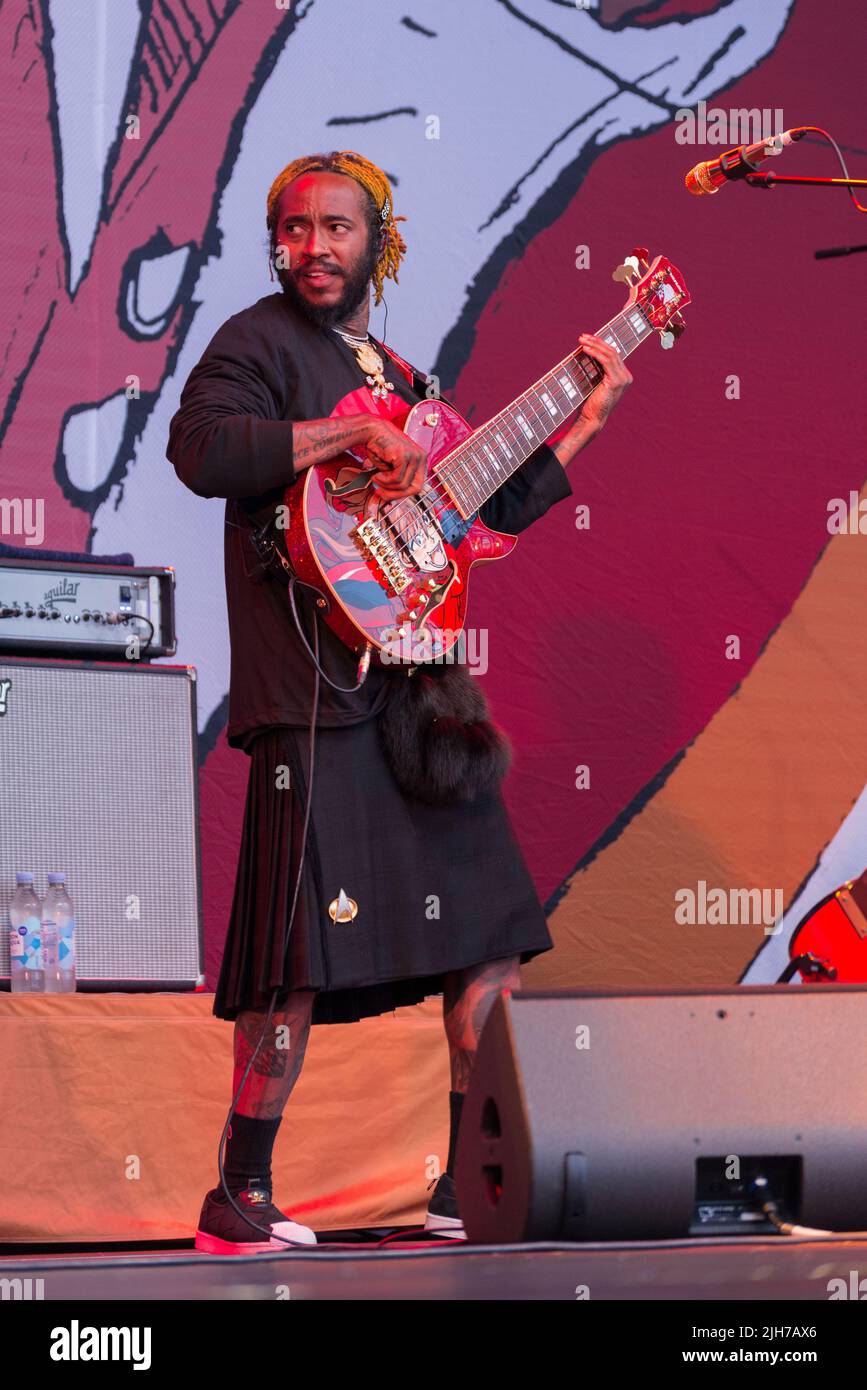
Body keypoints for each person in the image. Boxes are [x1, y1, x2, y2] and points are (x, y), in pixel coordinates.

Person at [166, 149, 632, 1253]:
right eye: (294, 229)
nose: (313, 247)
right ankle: (238, 1194)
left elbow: (466, 516)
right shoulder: (254, 343)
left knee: (489, 946)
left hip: (426, 708)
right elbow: (202, 450)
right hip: (313, 698)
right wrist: (340, 433)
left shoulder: (410, 379)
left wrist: (585, 418)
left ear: (382, 237)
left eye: (336, 227)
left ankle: (467, 1184)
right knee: (293, 959)